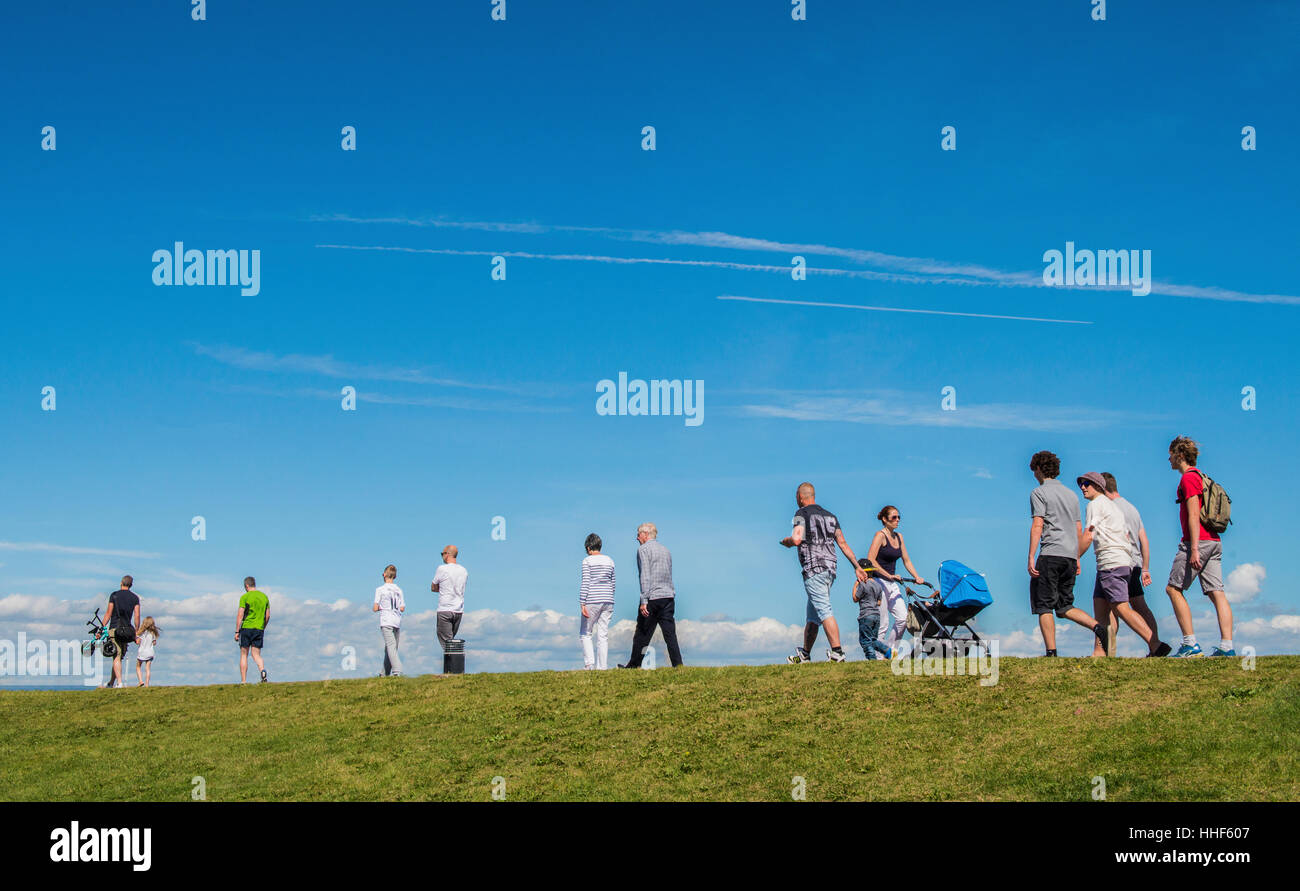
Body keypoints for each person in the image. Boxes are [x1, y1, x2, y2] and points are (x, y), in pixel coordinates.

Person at [1077, 473, 1169, 658]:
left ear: (1099, 486)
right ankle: (1099, 652)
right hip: (1115, 563)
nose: (1083, 487)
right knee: (1100, 608)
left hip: (1111, 563)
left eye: (1087, 483)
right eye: (1080, 484)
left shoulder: (1095, 505)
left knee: (1122, 608)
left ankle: (1156, 644)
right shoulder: (1115, 507)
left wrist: (1074, 557)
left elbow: (1088, 535)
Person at [1027, 452, 1108, 656]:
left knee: (1044, 605)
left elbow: (1038, 524)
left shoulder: (1039, 492)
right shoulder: (1072, 495)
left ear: (1038, 469)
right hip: (1070, 556)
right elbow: (1078, 527)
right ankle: (1098, 627)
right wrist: (1077, 557)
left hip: (1051, 553)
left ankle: (1051, 652)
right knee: (1064, 606)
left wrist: (1031, 555)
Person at [781, 482, 869, 664]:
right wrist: (857, 566)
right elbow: (842, 543)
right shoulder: (831, 517)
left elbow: (797, 539)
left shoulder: (801, 514)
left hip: (814, 568)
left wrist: (787, 541)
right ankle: (805, 654)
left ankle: (838, 652)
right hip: (830, 568)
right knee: (813, 615)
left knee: (824, 610)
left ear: (800, 496)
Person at [1164, 436, 1234, 657]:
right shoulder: (1202, 477)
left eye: (1171, 454)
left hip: (1198, 542)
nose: (1168, 459)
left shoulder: (1188, 479)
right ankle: (1227, 646)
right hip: (1213, 541)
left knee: (1173, 589)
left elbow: (1194, 514)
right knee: (1217, 593)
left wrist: (1193, 548)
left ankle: (1190, 644)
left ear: (1180, 455)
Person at [1101, 472, 1164, 655]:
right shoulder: (1132, 508)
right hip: (1135, 564)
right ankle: (1154, 643)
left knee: (1112, 607)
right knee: (1140, 606)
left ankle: (1108, 651)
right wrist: (1145, 567)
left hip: (1119, 562)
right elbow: (1143, 539)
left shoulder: (1111, 508)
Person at [619, 523, 683, 668]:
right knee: (670, 634)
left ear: (646, 534)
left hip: (652, 597)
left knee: (642, 633)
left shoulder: (643, 549)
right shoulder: (666, 550)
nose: (637, 537)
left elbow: (645, 576)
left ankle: (633, 666)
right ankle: (678, 664)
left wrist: (644, 600)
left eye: (638, 534)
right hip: (668, 596)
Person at [866, 505, 926, 658]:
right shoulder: (880, 536)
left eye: (899, 517)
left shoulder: (899, 537)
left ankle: (889, 651)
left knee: (902, 618)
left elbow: (906, 560)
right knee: (883, 622)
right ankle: (878, 657)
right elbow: (870, 559)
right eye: (894, 517)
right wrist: (888, 575)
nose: (897, 520)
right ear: (885, 520)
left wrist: (917, 577)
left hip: (892, 583)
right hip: (879, 581)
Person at [579, 533, 616, 670]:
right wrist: (610, 596)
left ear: (588, 548)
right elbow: (613, 583)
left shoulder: (587, 561)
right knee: (603, 634)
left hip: (592, 599)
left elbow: (586, 582)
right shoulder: (610, 560)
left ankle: (589, 664)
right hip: (608, 600)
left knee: (586, 632)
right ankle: (602, 667)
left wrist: (582, 602)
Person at [103, 575, 140, 688]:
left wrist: (102, 627)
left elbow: (108, 613)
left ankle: (119, 683)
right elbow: (137, 616)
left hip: (115, 629)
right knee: (119, 657)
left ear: (121, 583)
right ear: (131, 585)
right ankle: (111, 683)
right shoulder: (135, 598)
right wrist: (136, 632)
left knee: (116, 656)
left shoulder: (114, 595)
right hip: (127, 630)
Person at [431, 545, 468, 656]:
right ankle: (452, 667)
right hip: (458, 610)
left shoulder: (442, 568)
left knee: (447, 643)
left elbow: (433, 587)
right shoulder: (464, 570)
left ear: (447, 554)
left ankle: (453, 668)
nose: (442, 556)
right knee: (451, 640)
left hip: (445, 609)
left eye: (442, 554)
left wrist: (442, 589)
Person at [852, 560, 893, 660]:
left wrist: (855, 586)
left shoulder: (863, 584)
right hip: (876, 615)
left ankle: (872, 659)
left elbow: (855, 598)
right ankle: (887, 651)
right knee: (873, 640)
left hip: (866, 615)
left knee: (865, 640)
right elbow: (879, 602)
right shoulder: (878, 586)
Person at [236, 576, 270, 683]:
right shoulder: (264, 597)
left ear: (246, 586)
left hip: (246, 627)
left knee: (244, 654)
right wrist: (262, 627)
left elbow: (240, 615)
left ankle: (244, 681)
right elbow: (267, 615)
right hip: (259, 628)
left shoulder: (245, 597)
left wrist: (237, 631)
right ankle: (262, 671)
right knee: (256, 654)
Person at [373, 564, 405, 677]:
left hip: (386, 620)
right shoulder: (399, 590)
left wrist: (382, 606)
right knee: (391, 647)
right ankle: (384, 673)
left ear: (384, 574)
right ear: (394, 576)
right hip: (397, 620)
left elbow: (375, 608)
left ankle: (397, 670)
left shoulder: (380, 590)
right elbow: (402, 607)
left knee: (390, 647)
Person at [135, 616, 160, 687]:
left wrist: (136, 638)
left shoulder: (142, 633)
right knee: (148, 669)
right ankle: (147, 684)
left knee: (138, 666)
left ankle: (140, 681)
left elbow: (137, 642)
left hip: (142, 652)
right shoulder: (153, 633)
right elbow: (154, 643)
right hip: (150, 652)